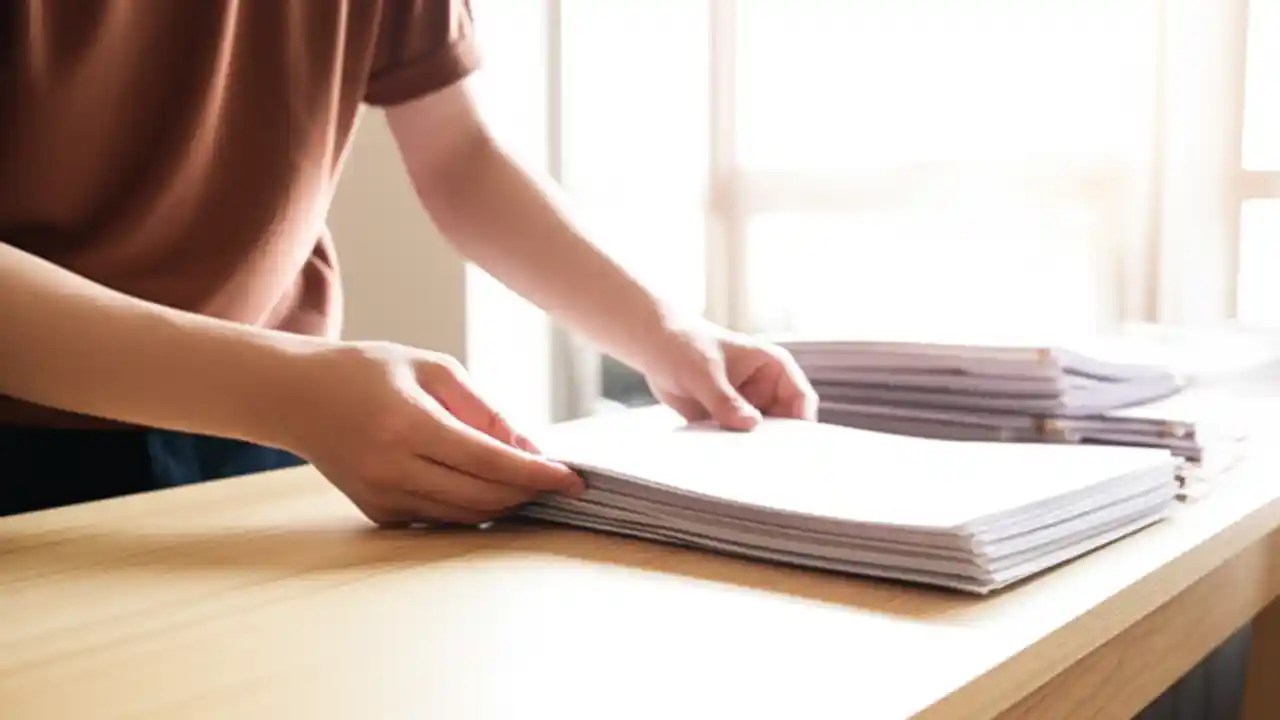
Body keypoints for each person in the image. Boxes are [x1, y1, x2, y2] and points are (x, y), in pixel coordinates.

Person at [0, 1, 818, 521]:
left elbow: (460, 155)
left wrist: (665, 331)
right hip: (31, 435)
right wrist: (286, 389)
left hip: (264, 441)